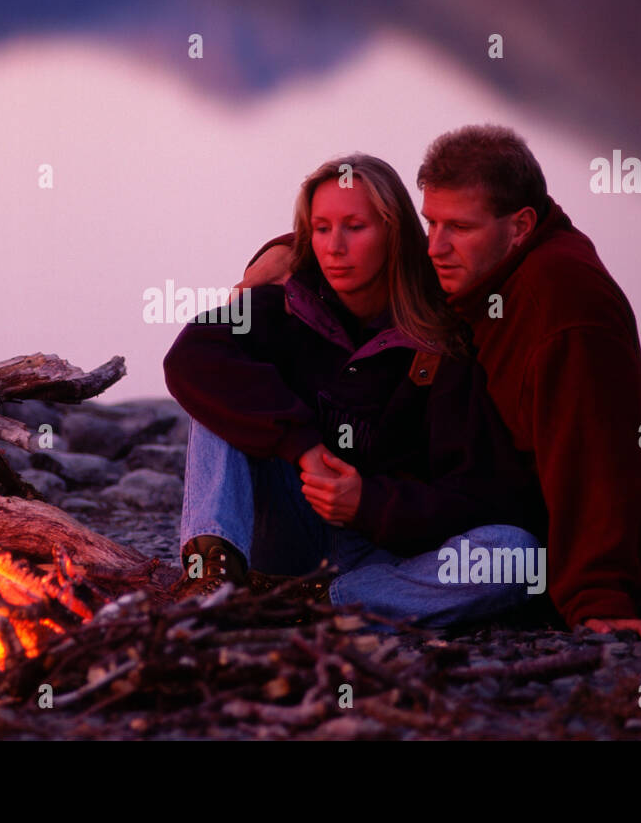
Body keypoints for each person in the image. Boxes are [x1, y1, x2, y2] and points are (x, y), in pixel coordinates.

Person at [240, 126, 641, 640]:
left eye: (458, 227)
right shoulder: (481, 263)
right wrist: (291, 250)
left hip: (530, 537)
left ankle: (317, 604)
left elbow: (600, 457)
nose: (435, 246)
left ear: (520, 226)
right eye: (431, 222)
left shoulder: (566, 310)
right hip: (435, 514)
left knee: (512, 559)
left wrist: (599, 595)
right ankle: (223, 580)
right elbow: (379, 251)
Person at [163, 153, 548, 628]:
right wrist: (301, 447)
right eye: (321, 229)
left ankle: (325, 604)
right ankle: (213, 578)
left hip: (381, 554)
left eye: (355, 227)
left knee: (516, 555)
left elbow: (474, 494)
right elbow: (187, 358)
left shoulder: (443, 339)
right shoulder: (282, 306)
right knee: (219, 393)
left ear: (395, 231)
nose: (335, 247)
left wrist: (368, 501)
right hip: (287, 527)